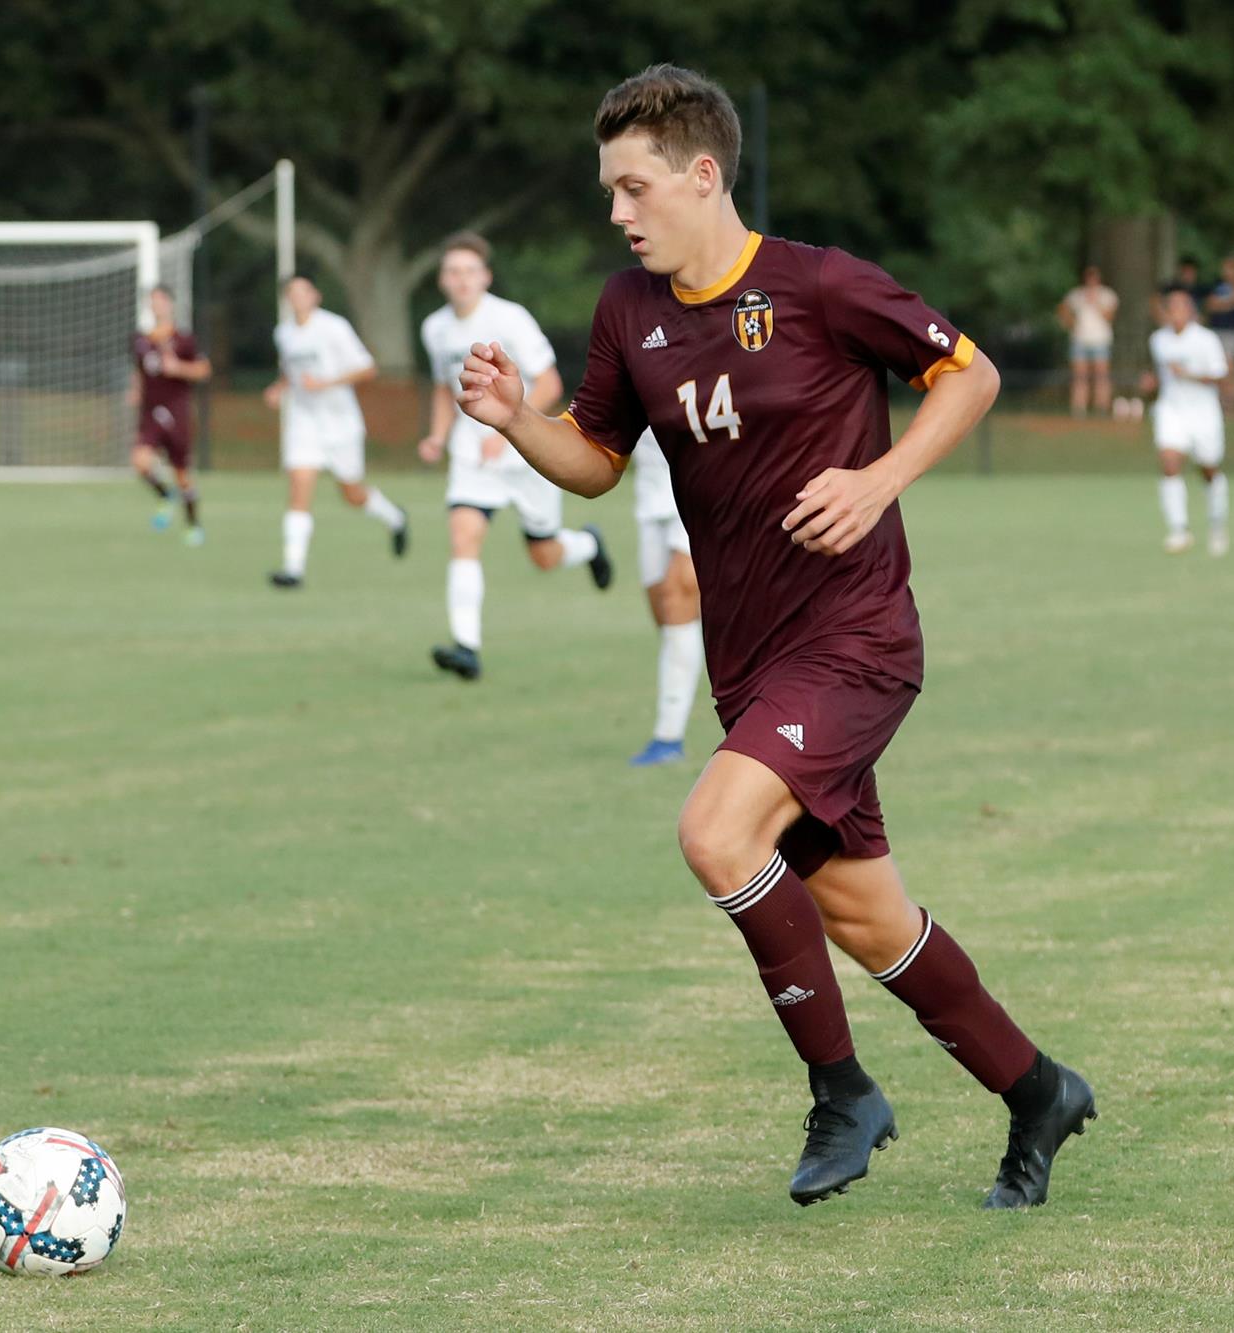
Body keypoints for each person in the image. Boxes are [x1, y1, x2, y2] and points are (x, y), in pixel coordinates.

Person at [457, 64, 1093, 1209]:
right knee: (862, 915)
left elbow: (969, 372)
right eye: (608, 191)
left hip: (854, 640)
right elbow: (597, 465)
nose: (616, 213)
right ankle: (1035, 1087)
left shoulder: (815, 286)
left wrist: (879, 475)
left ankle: (843, 1092)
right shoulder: (625, 310)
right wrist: (515, 422)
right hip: (748, 666)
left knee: (713, 830)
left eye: (633, 188)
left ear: (702, 175)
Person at [418, 232, 611, 682]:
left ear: (484, 276)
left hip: (526, 452)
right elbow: (444, 390)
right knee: (463, 535)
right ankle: (467, 647)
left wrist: (507, 431)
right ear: (442, 279)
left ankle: (588, 545)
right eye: (452, 271)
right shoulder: (435, 328)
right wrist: (436, 435)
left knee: (543, 555)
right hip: (473, 456)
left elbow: (548, 384)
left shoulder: (510, 318)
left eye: (469, 271)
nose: (461, 279)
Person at [264, 274, 407, 587]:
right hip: (304, 422)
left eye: (304, 291)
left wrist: (326, 384)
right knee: (299, 489)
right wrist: (280, 388)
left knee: (352, 494)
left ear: (315, 295)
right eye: (292, 293)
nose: (298, 298)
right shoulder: (284, 333)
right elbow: (291, 372)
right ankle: (293, 568)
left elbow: (367, 368)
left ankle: (394, 517)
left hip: (340, 423)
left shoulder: (334, 327)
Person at [628, 430, 702, 766]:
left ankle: (668, 737)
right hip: (652, 486)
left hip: (706, 479)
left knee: (678, 593)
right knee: (665, 611)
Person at [1141, 289, 1230, 556]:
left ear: (1191, 311)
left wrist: (1188, 374)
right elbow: (1162, 378)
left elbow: (1219, 377)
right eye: (1172, 307)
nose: (1176, 312)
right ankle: (1179, 529)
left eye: (1181, 307)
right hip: (1171, 410)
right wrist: (1151, 385)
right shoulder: (1158, 340)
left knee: (1208, 469)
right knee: (1169, 463)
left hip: (1204, 413)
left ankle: (1217, 524)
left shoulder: (1206, 339)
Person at [129, 285, 212, 545]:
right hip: (151, 413)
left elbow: (203, 370)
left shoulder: (184, 339)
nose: (157, 305)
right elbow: (139, 372)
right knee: (140, 462)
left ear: (170, 305)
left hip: (177, 412)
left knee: (182, 475)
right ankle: (165, 496)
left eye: (161, 300)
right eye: (152, 301)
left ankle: (193, 525)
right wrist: (135, 391)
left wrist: (178, 368)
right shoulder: (140, 341)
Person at [1056, 265, 1116, 416]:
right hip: (1080, 340)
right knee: (1079, 376)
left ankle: (1101, 407)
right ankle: (1079, 408)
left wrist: (1095, 302)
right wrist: (1071, 324)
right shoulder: (1077, 295)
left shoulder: (1107, 295)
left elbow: (1110, 317)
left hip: (1100, 340)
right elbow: (1062, 309)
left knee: (1101, 375)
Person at [1202, 256, 1234, 414]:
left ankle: (1229, 402)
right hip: (1216, 330)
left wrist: (1227, 302)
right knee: (1216, 366)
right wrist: (1231, 302)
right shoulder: (1216, 286)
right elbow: (1210, 305)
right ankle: (1217, 401)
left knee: (1229, 365)